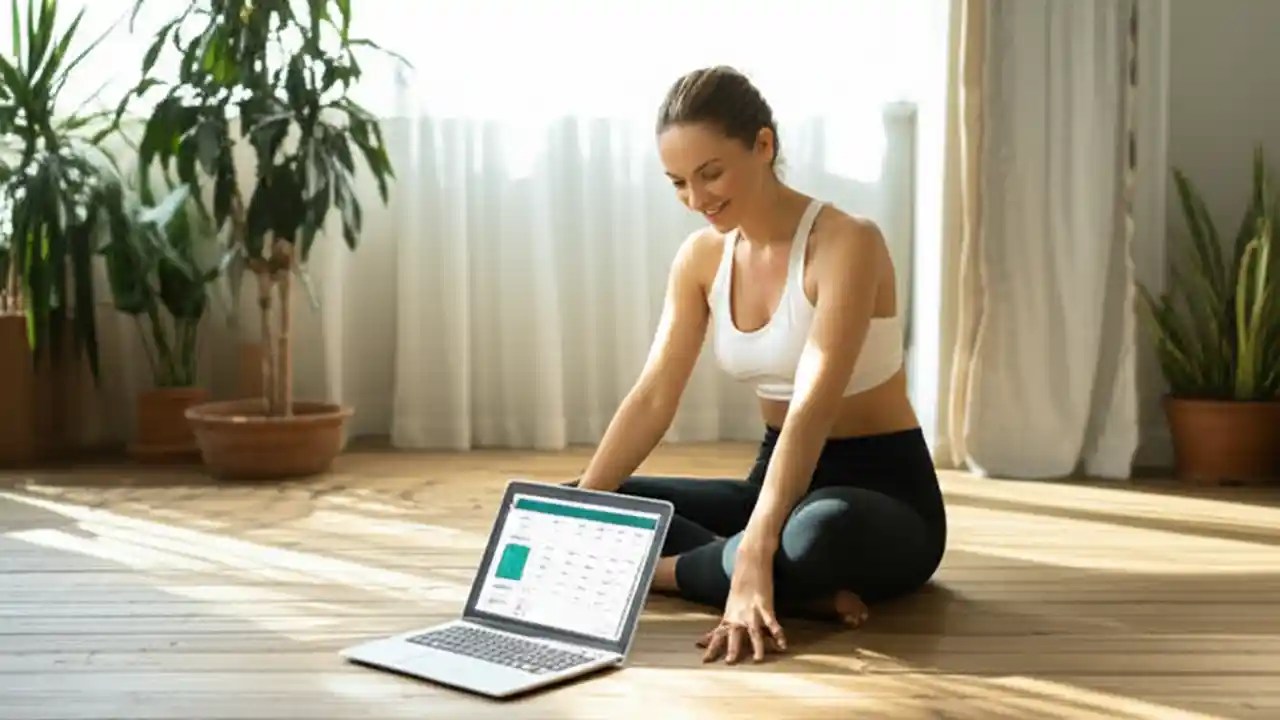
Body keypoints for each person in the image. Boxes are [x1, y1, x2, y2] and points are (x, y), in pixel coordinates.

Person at [570, 66, 948, 666]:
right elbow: (653, 397)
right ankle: (786, 585)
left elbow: (811, 407)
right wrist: (575, 521)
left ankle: (674, 571)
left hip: (882, 496)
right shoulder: (700, 258)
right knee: (577, 501)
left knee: (812, 538)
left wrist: (754, 552)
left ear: (764, 145)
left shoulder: (847, 242)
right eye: (678, 183)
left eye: (711, 173)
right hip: (773, 478)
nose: (697, 200)